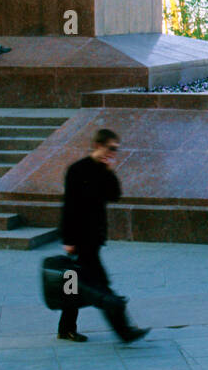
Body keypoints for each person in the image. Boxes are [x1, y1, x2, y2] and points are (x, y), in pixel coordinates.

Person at [56, 129, 149, 344]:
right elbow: (69, 206)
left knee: (74, 285)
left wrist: (109, 171)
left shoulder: (102, 170)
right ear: (98, 146)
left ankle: (65, 329)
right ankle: (124, 331)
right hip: (80, 238)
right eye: (111, 148)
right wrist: (68, 240)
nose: (114, 152)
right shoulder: (77, 170)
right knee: (102, 287)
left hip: (94, 237)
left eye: (116, 149)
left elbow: (114, 196)